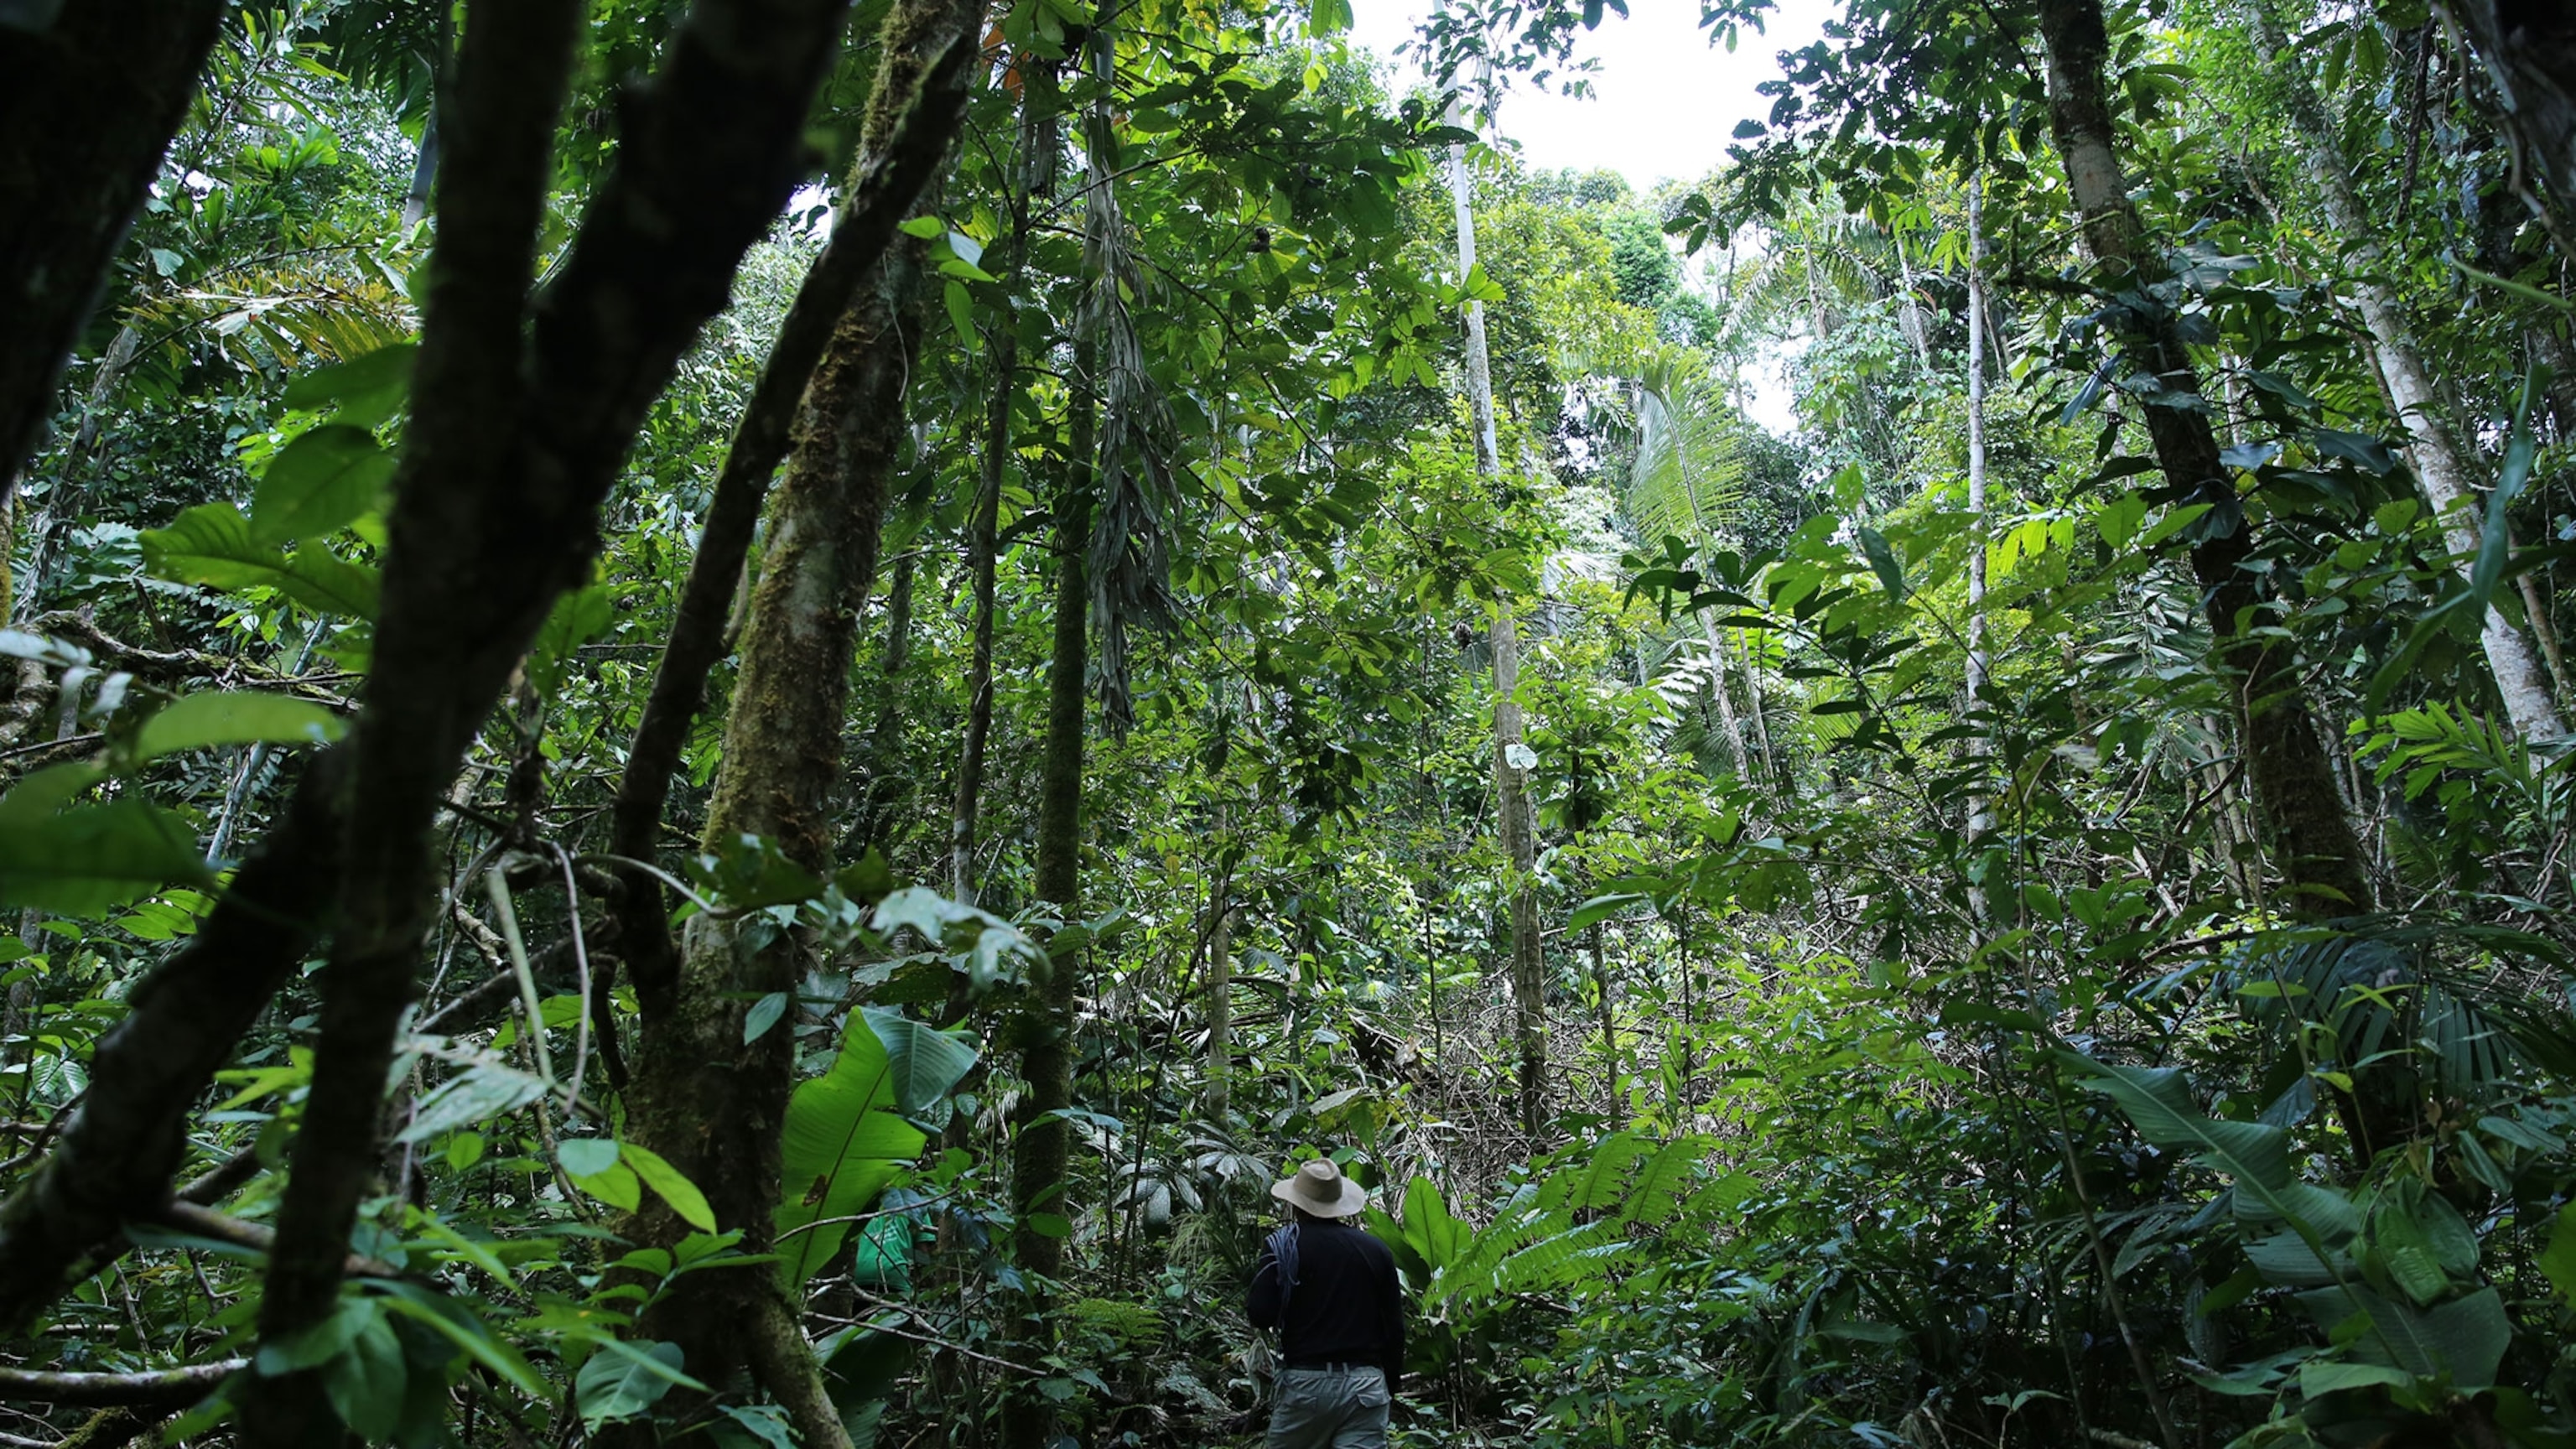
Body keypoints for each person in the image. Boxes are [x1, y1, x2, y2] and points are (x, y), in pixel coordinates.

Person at [1247, 1159, 1405, 1449]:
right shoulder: (1376, 1250)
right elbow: (1394, 1328)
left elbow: (1259, 1314)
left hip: (1306, 1384)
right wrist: (1389, 1385)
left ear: (1295, 1204)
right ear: (1339, 1202)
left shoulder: (1282, 1246)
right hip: (1365, 1386)